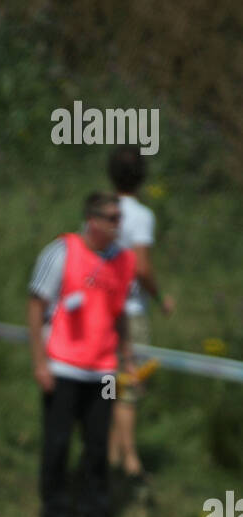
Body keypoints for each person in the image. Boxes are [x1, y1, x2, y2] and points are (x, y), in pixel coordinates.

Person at [27, 192, 137, 517]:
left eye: (119, 218)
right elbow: (35, 305)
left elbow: (121, 315)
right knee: (58, 443)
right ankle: (55, 516)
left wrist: (127, 359)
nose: (117, 225)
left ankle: (95, 514)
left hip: (103, 369)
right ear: (92, 220)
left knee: (97, 444)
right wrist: (39, 361)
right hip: (63, 366)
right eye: (111, 218)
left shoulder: (123, 261)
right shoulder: (61, 251)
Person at [107, 147, 175, 480]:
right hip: (130, 310)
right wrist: (160, 298)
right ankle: (130, 460)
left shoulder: (100, 210)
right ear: (142, 178)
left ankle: (112, 454)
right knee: (129, 387)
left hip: (101, 309)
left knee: (110, 384)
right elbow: (143, 267)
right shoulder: (142, 216)